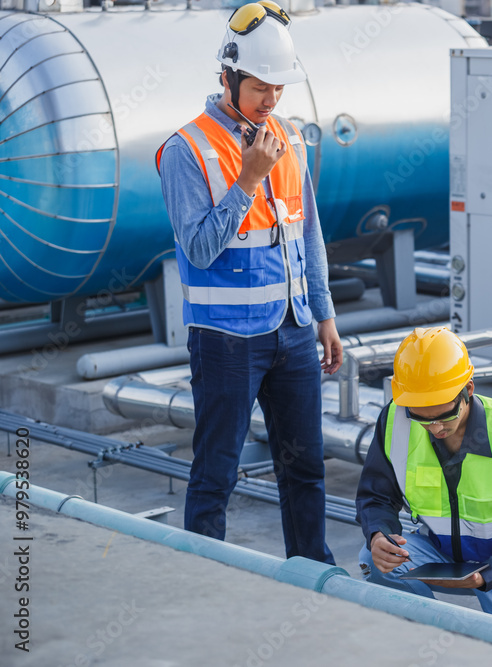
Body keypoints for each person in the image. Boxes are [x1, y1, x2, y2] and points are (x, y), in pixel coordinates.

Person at [156, 1, 341, 564]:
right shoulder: (187, 150)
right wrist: (247, 179)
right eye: (261, 88)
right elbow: (200, 247)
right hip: (225, 340)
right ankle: (207, 576)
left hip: (292, 332)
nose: (271, 101)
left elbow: (308, 233)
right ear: (228, 78)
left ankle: (312, 571)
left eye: (279, 90)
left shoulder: (288, 136)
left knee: (305, 465)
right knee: (217, 471)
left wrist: (324, 315)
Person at [355, 327, 492, 629]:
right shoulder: (395, 421)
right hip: (441, 554)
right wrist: (378, 534)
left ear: (468, 389)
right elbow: (376, 496)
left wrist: (487, 575)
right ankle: (427, 635)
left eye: (445, 415)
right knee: (373, 559)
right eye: (422, 417)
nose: (436, 427)